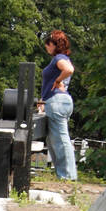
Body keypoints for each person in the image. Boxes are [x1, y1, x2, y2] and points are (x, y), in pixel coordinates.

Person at [38, 30, 76, 181]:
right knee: (53, 140)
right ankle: (62, 174)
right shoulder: (63, 58)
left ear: (54, 44)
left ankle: (68, 176)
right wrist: (42, 102)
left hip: (57, 102)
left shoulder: (58, 58)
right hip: (58, 101)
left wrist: (59, 80)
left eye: (48, 44)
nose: (47, 47)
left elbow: (69, 70)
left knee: (61, 139)